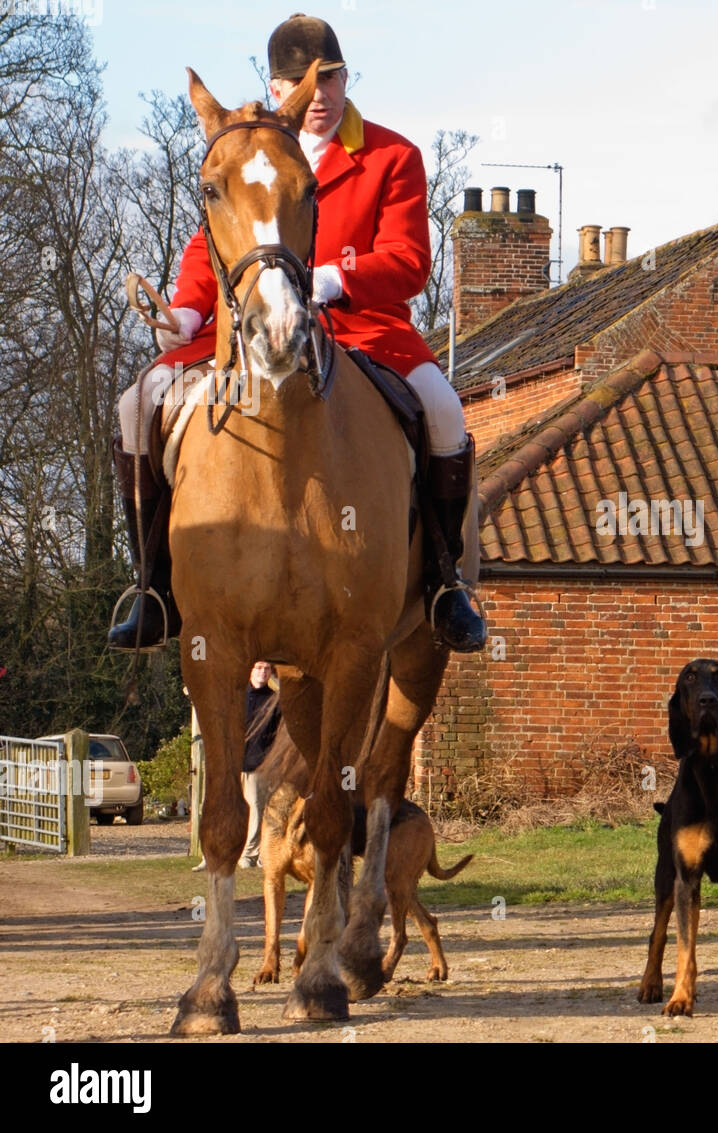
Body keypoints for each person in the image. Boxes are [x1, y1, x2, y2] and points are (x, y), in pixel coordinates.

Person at [109, 13, 485, 654]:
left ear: (342, 80)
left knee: (446, 413)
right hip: (253, 326)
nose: (319, 96)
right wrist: (188, 313)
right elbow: (212, 246)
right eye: (299, 83)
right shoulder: (252, 152)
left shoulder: (393, 156)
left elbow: (410, 260)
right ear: (277, 87)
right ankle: (155, 588)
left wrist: (339, 279)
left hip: (368, 327)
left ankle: (445, 585)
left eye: (331, 79)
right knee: (135, 403)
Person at [238, 661, 280, 868]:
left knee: (258, 808)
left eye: (266, 668)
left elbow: (277, 734)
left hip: (261, 764)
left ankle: (253, 854)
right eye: (258, 668)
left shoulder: (274, 701)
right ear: (251, 670)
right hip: (236, 763)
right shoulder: (237, 697)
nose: (262, 672)